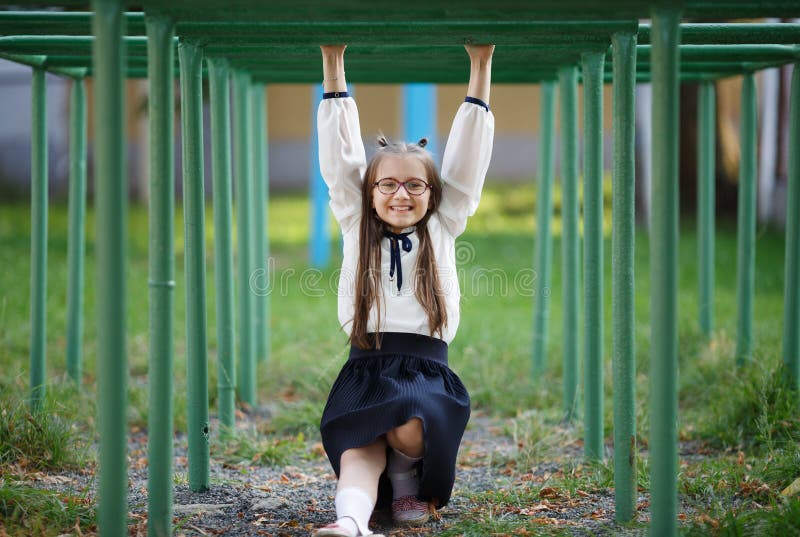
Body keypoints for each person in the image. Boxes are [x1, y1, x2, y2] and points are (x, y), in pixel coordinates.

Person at [314, 43, 495, 537]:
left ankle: (405, 478)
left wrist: (480, 67)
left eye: (415, 185)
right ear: (369, 193)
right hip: (366, 366)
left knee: (409, 427)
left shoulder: (443, 224)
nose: (400, 194)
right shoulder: (356, 222)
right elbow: (340, 157)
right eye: (388, 184)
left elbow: (468, 161)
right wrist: (333, 63)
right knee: (359, 450)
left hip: (426, 372)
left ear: (433, 195)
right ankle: (351, 522)